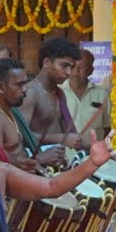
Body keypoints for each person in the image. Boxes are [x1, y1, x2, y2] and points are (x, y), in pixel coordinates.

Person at [19, 37, 84, 167]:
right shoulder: (30, 92)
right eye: (64, 65)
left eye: (71, 67)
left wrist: (101, 146)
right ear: (47, 63)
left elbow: (72, 134)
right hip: (33, 167)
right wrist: (61, 138)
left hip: (55, 166)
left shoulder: (60, 94)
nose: (68, 72)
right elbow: (19, 136)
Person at [0, 58, 41, 172]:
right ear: (1, 87)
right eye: (19, 85)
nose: (25, 89)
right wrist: (39, 159)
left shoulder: (9, 109)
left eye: (25, 83)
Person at [64, 48, 112, 163]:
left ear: (91, 70)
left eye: (81, 67)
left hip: (93, 159)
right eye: (72, 66)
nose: (76, 70)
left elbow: (107, 128)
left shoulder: (102, 94)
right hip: (64, 159)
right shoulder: (58, 92)